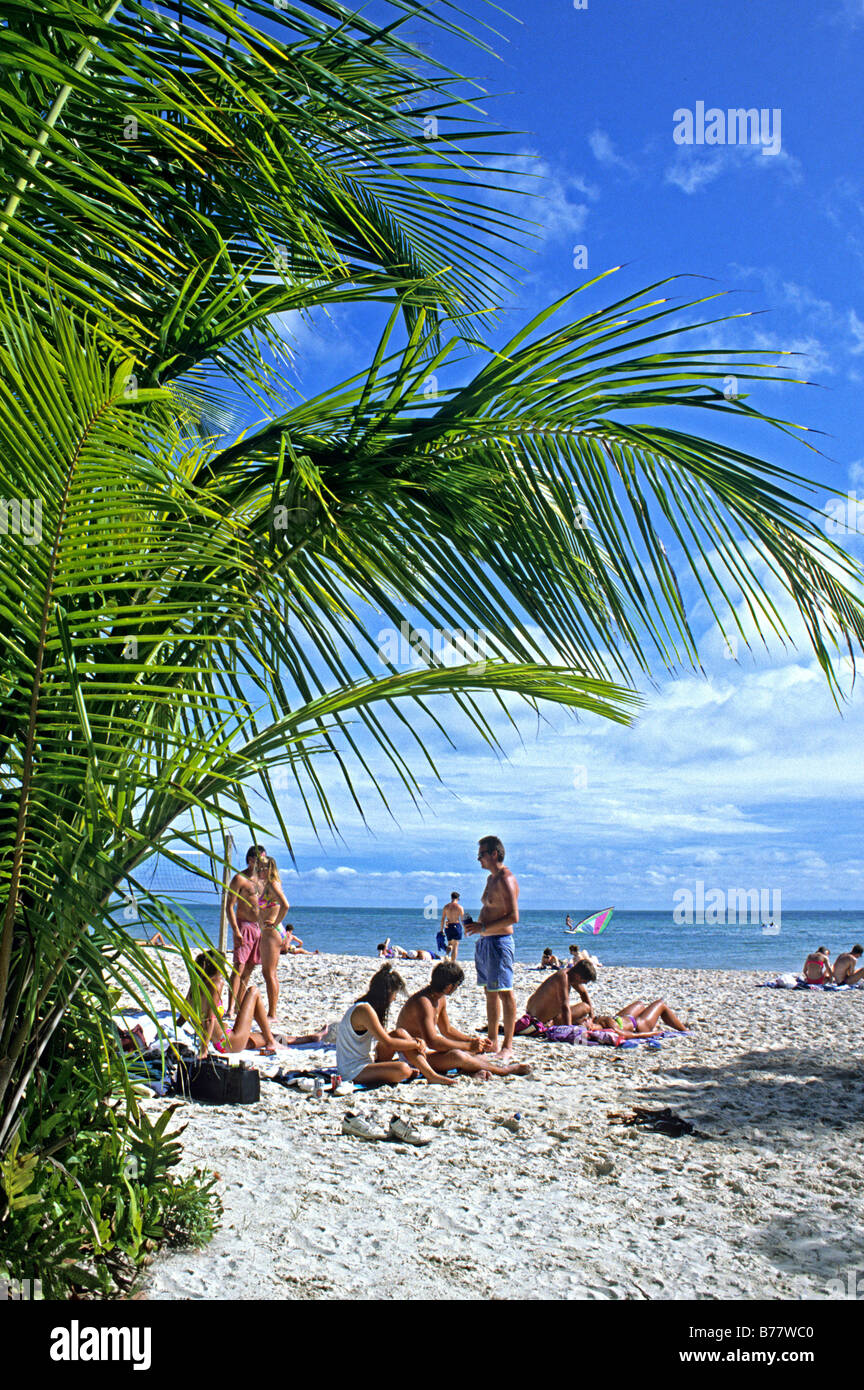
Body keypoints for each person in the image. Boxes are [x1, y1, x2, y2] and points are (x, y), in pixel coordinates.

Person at [396, 962, 532, 1078]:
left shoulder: (439, 998)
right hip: (414, 1056)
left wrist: (473, 1041)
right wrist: (468, 1046)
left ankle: (469, 1071)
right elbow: (433, 1041)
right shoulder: (423, 1003)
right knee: (458, 1055)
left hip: (426, 1052)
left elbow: (447, 1030)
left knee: (478, 1053)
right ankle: (503, 1071)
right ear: (449, 987)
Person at [183, 951, 330, 1056]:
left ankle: (311, 1038)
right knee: (253, 991)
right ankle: (273, 1041)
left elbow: (185, 1012)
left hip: (225, 1040)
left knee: (266, 1037)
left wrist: (177, 1027)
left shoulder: (195, 986)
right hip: (228, 1041)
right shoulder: (217, 983)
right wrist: (203, 1051)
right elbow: (209, 1020)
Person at [335, 965, 456, 1086]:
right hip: (353, 1070)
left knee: (400, 1033)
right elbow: (388, 1043)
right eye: (394, 994)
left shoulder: (371, 1007)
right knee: (404, 1069)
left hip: (369, 1060)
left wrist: (413, 1042)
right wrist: (416, 1044)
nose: (394, 998)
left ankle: (430, 1074)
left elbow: (385, 1038)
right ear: (387, 993)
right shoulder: (364, 1010)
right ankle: (428, 1074)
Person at [464, 835, 520, 1062]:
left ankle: (508, 1045)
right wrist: (476, 927)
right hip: (486, 941)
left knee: (505, 991)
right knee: (490, 991)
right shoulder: (491, 879)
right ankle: (492, 1041)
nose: (478, 859)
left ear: (494, 854)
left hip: (499, 942)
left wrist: (484, 927)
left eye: (481, 854)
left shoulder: (506, 879)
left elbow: (513, 917)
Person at [225, 844, 267, 1016]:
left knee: (250, 967)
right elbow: (229, 906)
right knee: (239, 967)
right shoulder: (239, 879)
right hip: (244, 926)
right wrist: (236, 930)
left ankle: (239, 1005)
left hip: (259, 928)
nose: (263, 863)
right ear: (251, 860)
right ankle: (230, 1008)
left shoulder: (263, 880)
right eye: (260, 859)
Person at [258, 857, 290, 1021]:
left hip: (272, 932)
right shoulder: (267, 885)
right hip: (270, 931)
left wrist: (275, 923)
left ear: (271, 868)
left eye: (264, 867)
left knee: (269, 973)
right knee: (270, 973)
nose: (261, 870)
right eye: (259, 867)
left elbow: (285, 905)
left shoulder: (273, 884)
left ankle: (272, 1013)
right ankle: (272, 1011)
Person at [526, 957, 596, 1025]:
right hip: (540, 1020)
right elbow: (565, 1006)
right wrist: (568, 1029)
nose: (583, 984)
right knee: (585, 1007)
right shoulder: (563, 978)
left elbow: (583, 993)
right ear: (578, 976)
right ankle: (553, 1023)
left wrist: (592, 1017)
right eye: (583, 981)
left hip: (531, 1014)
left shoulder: (568, 974)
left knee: (581, 1018)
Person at [591, 999, 688, 1035]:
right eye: (585, 1021)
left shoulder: (596, 1022)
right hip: (639, 1025)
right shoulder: (611, 1026)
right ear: (590, 1027)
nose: (586, 1019)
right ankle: (685, 1031)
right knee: (660, 1004)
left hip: (625, 1019)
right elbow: (629, 1035)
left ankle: (653, 1022)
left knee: (639, 1004)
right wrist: (653, 1034)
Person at [438, 892, 465, 962]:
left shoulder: (446, 907)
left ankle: (447, 954)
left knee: (450, 944)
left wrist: (441, 930)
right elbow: (463, 920)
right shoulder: (460, 907)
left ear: (451, 898)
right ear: (458, 898)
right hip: (456, 926)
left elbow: (443, 919)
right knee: (455, 946)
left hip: (448, 926)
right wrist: (466, 929)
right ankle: (453, 962)